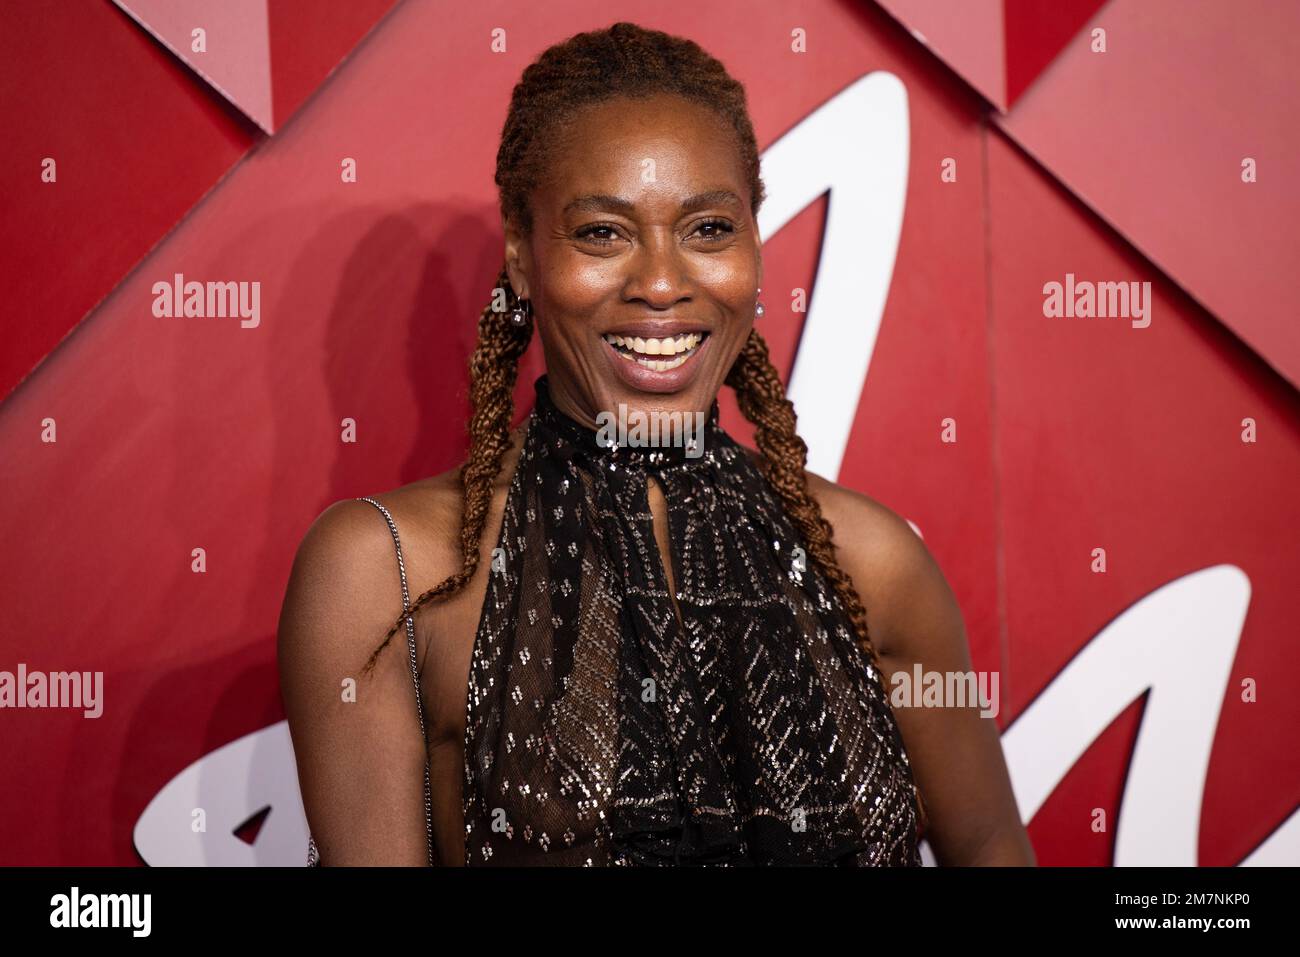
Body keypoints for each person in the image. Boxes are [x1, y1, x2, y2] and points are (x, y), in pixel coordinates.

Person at [277, 21, 1033, 867]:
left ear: (754, 244)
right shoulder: (382, 575)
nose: (664, 283)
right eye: (603, 233)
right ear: (522, 256)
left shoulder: (875, 561)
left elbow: (990, 843)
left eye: (708, 228)